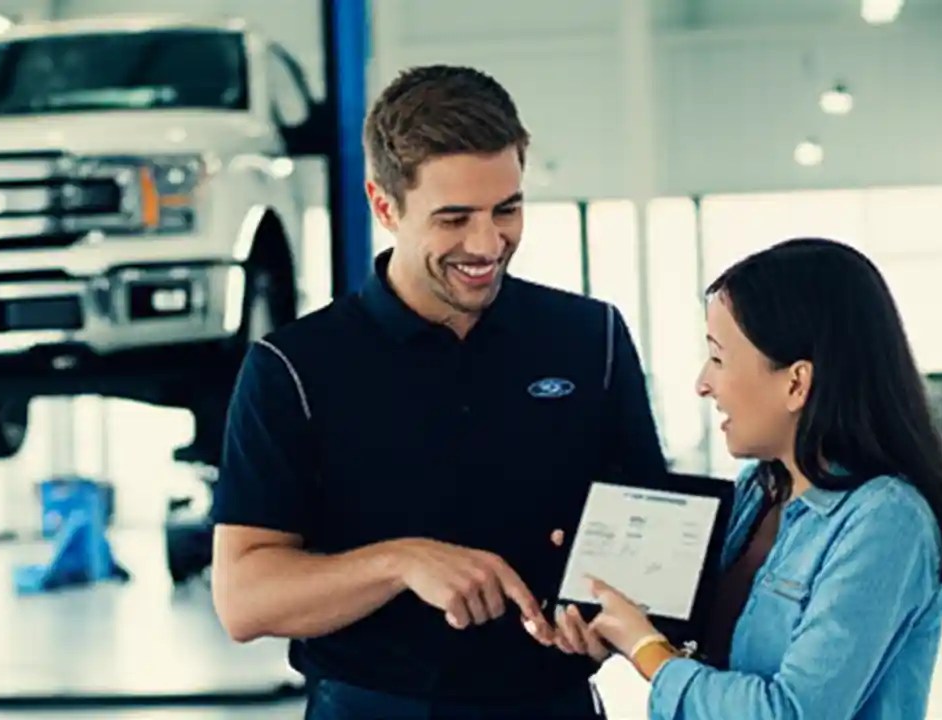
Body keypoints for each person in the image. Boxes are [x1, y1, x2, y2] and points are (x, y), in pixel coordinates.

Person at [209, 64, 668, 719]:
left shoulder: (591, 338)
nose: (487, 244)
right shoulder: (293, 368)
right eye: (454, 219)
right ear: (383, 206)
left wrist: (612, 623)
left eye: (507, 210)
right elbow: (243, 601)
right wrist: (400, 563)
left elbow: (648, 539)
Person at [541, 237, 942, 720]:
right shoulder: (758, 491)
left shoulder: (887, 521)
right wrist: (610, 621)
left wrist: (648, 652)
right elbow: (708, 651)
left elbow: (791, 712)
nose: (703, 383)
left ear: (796, 383)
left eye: (719, 358)